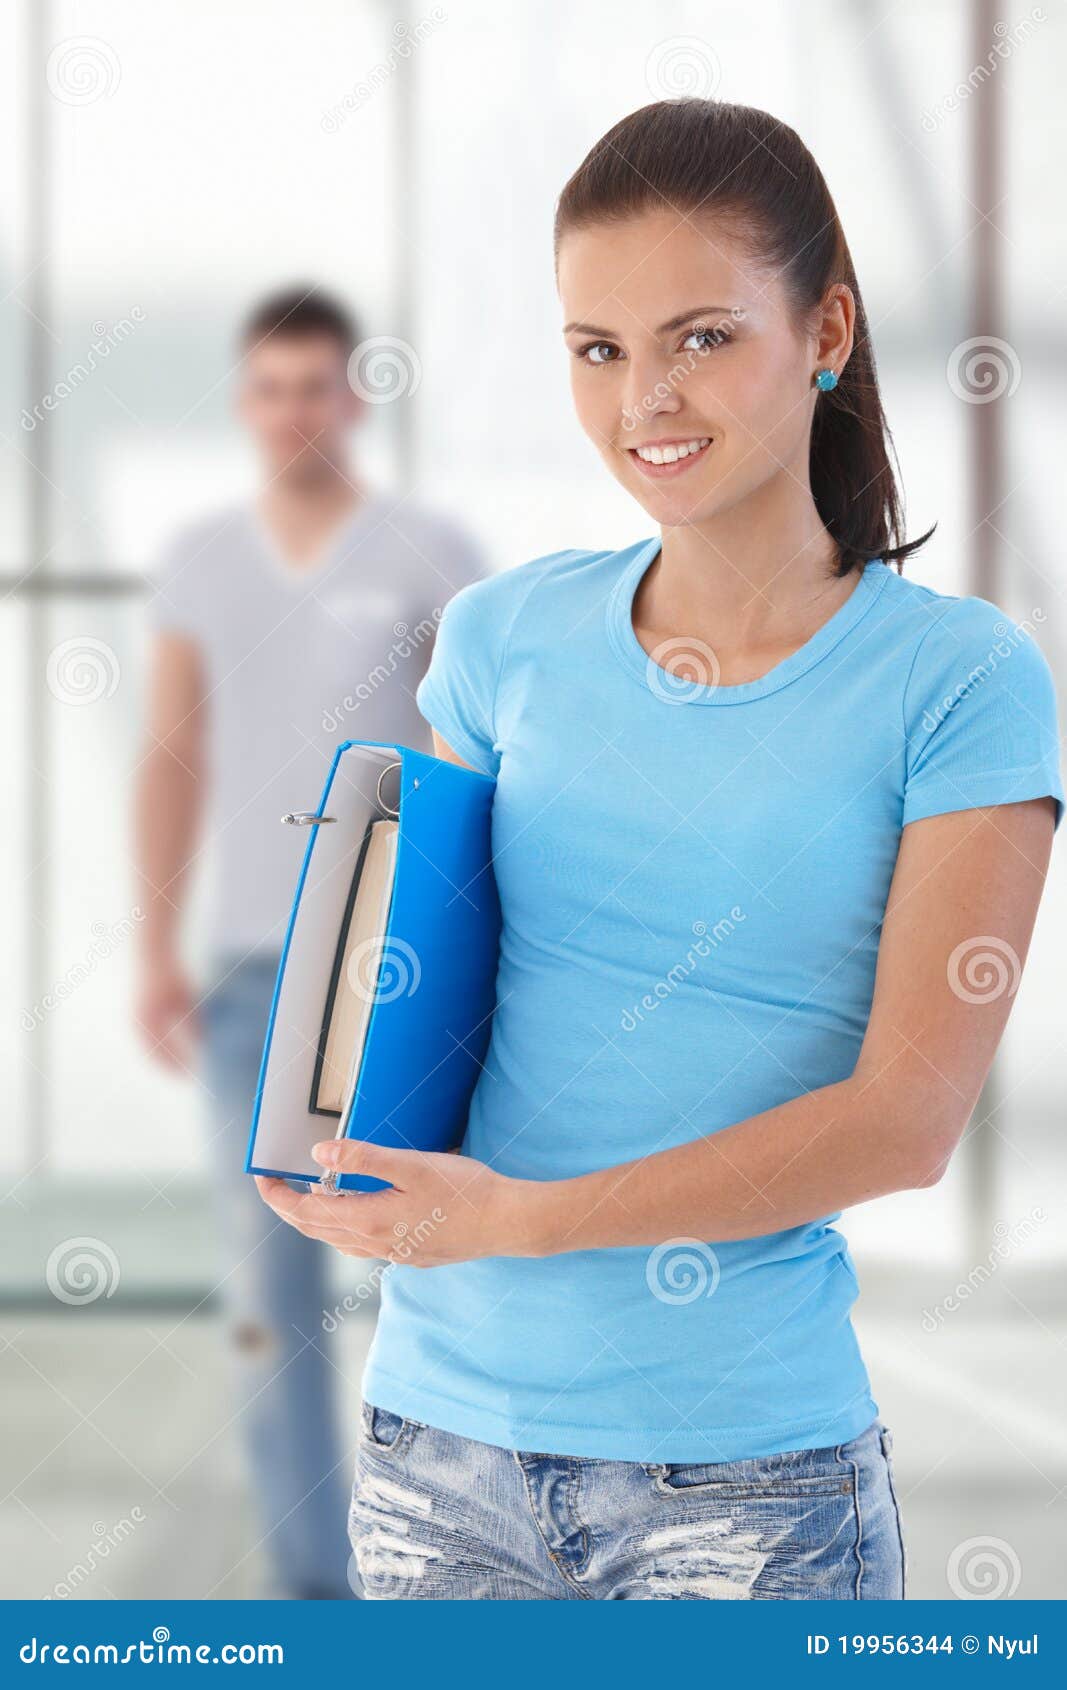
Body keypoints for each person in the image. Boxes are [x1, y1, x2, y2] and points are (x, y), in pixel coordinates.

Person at [257, 104, 1063, 1600]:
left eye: (700, 336)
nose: (646, 399)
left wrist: (519, 1222)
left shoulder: (960, 681)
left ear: (826, 331)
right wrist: (327, 1134)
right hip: (436, 1451)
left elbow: (906, 1121)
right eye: (598, 348)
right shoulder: (505, 635)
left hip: (746, 1486)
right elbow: (420, 991)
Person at [134, 286, 487, 1599]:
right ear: (246, 403)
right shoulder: (202, 558)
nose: (294, 411)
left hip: (395, 970)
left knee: (423, 1264)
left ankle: (443, 1557)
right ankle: (317, 1592)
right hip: (243, 971)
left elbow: (476, 757)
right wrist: (153, 951)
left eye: (316, 385)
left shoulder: (425, 548)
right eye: (270, 387)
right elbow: (170, 755)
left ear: (355, 396)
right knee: (268, 1295)